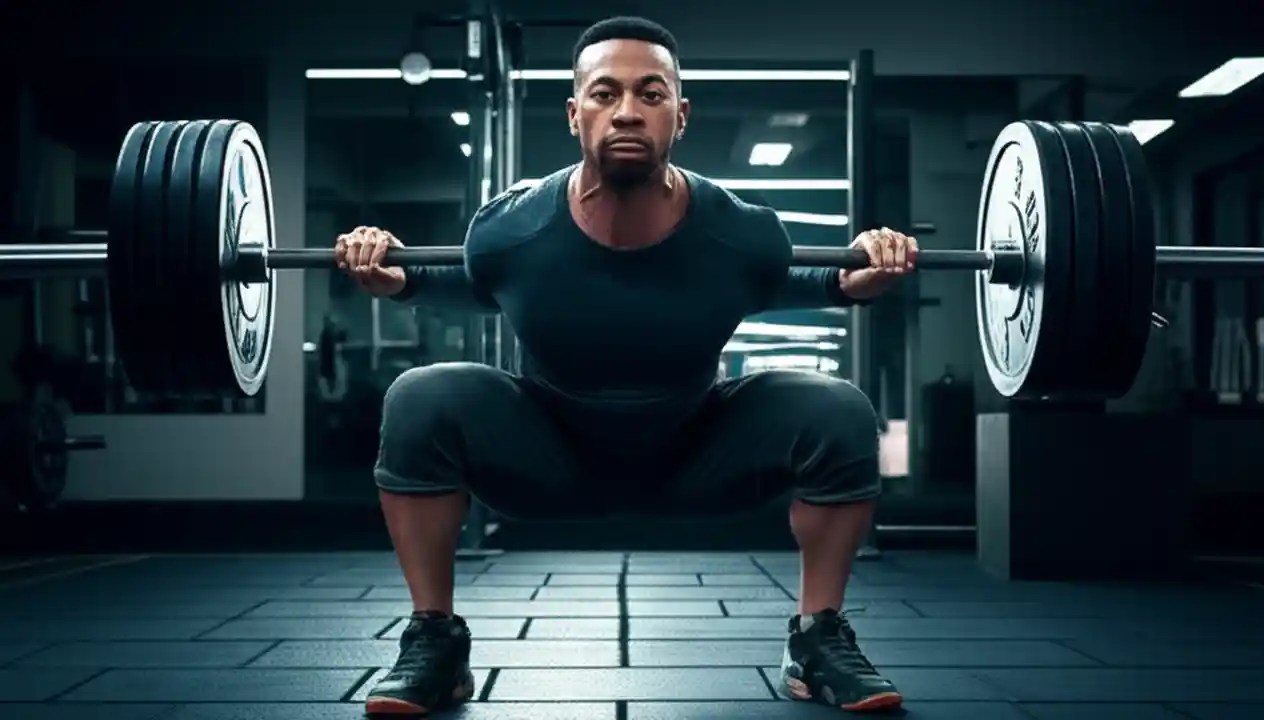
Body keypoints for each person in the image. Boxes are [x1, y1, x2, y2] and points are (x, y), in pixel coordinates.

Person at [334, 16, 918, 717]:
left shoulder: (741, 230)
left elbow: (801, 281)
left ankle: (816, 639)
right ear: (575, 112)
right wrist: (390, 270)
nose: (628, 112)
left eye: (650, 93)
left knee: (838, 409)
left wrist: (864, 269)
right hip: (549, 457)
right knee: (422, 396)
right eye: (606, 94)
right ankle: (435, 643)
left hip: (696, 454)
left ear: (682, 114)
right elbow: (465, 282)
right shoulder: (510, 228)